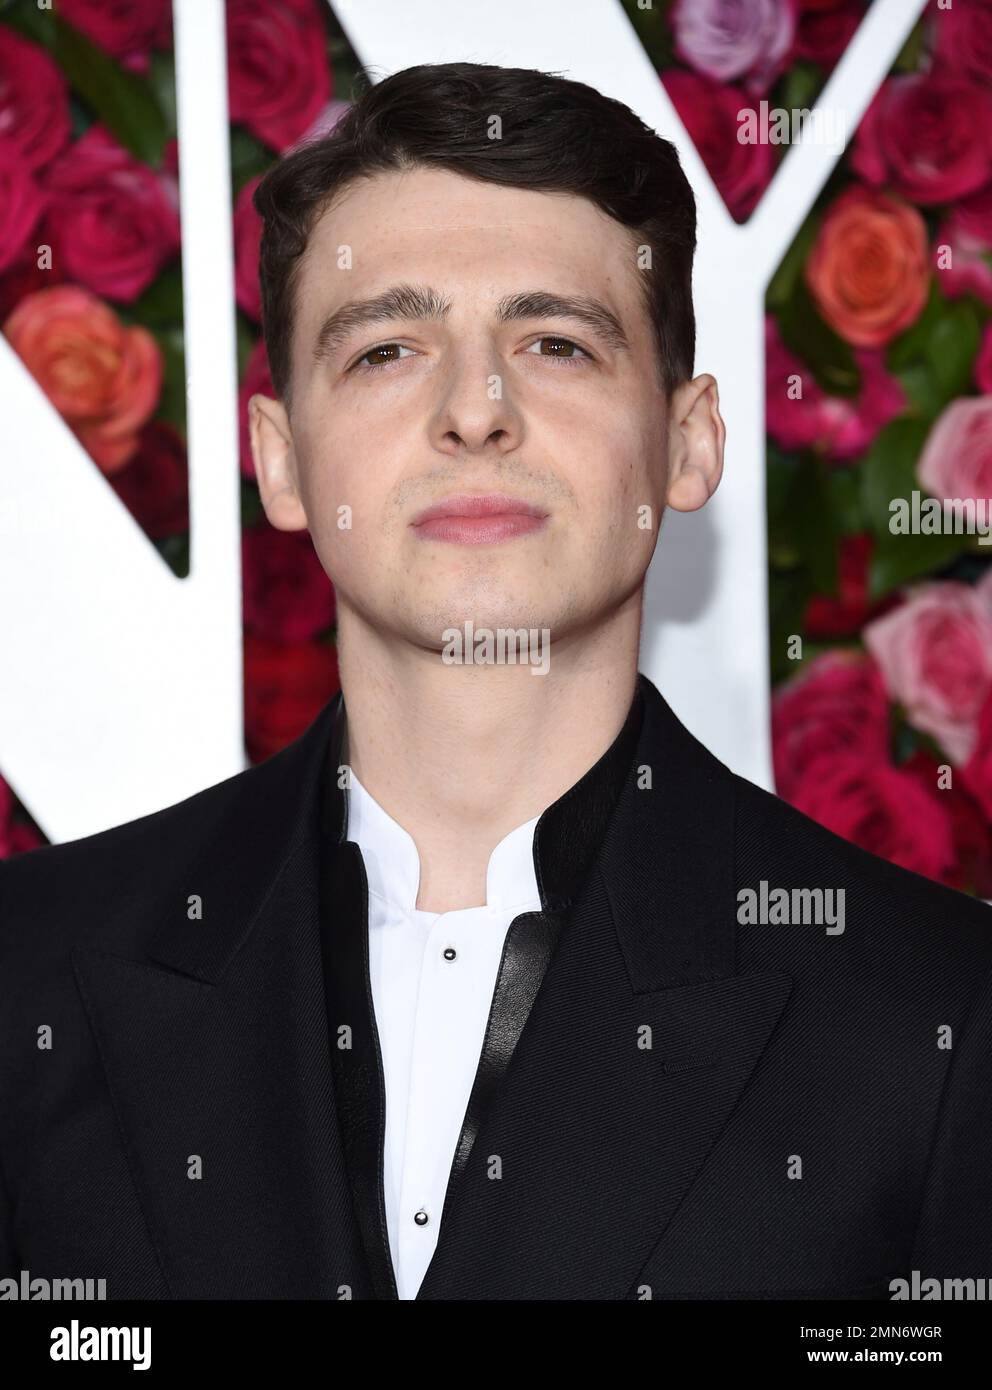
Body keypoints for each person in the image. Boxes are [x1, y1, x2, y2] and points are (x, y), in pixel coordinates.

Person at [1, 62, 990, 1304]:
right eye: (387, 349)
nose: (475, 410)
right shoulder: (28, 974)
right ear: (279, 457)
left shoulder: (940, 1018)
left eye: (555, 342)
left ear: (685, 443)